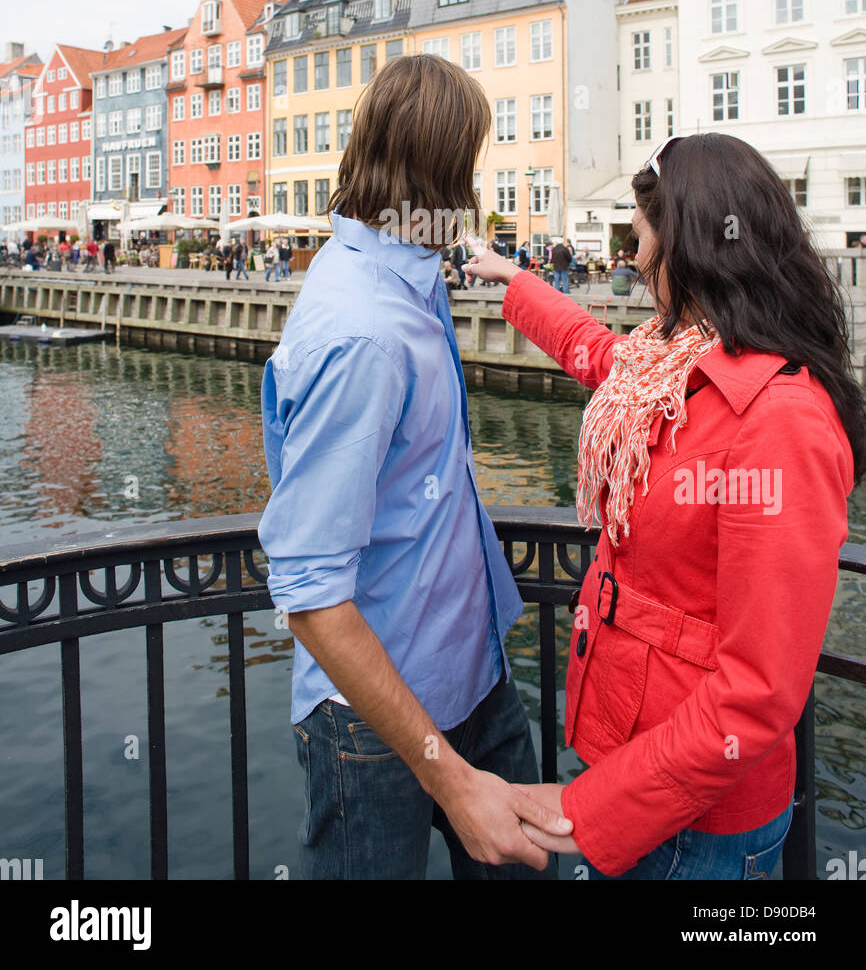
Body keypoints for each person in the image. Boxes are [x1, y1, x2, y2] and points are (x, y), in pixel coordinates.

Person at [465, 131, 862, 880]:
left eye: (643, 238)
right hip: (637, 767)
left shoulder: (781, 421)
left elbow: (757, 694)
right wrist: (511, 280)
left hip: (699, 827)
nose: (636, 258)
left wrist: (592, 811)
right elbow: (590, 347)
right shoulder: (671, 366)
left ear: (689, 245)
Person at [258, 53, 570, 881]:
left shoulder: (404, 271)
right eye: (468, 166)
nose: (475, 186)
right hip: (379, 726)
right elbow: (313, 592)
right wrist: (447, 775)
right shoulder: (362, 333)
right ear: (441, 175)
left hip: (471, 674)